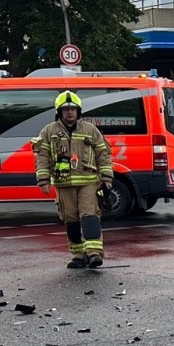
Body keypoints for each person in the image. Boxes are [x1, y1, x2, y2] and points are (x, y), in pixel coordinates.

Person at [34, 91, 113, 269]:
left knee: (89, 216)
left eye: (72, 109)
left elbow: (103, 154)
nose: (70, 112)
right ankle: (78, 255)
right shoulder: (49, 131)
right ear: (59, 112)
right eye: (66, 109)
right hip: (64, 183)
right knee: (71, 219)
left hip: (88, 181)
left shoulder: (90, 130)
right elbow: (42, 156)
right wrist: (43, 180)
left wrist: (106, 177)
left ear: (78, 111)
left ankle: (94, 253)